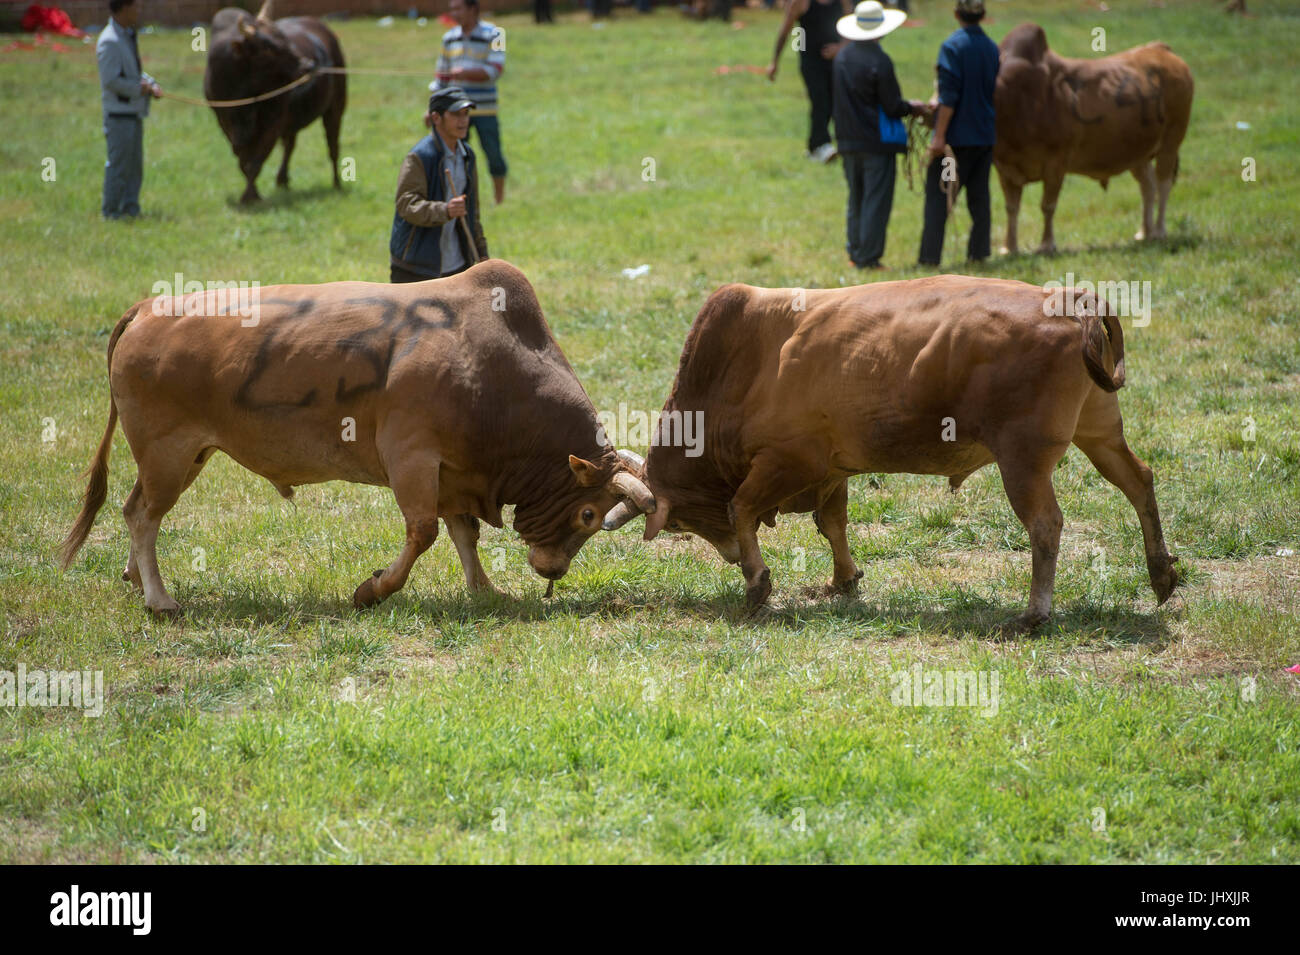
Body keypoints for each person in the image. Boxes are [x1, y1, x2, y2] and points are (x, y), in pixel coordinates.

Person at [831, 1, 926, 269]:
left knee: (856, 197)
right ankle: (869, 257)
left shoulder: (841, 57)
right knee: (876, 198)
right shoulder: (880, 61)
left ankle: (855, 252)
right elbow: (893, 106)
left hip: (847, 139)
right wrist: (913, 108)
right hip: (877, 141)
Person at [917, 0, 999, 266]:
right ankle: (978, 254)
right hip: (984, 137)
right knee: (979, 197)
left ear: (956, 14)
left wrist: (939, 137)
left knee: (939, 198)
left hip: (955, 142)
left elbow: (949, 97)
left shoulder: (952, 47)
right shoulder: (991, 48)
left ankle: (930, 259)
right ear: (983, 15)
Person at [389, 86, 489, 284]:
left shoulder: (467, 155)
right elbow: (406, 205)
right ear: (436, 118)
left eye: (466, 114)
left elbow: (472, 211)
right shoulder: (419, 157)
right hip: (417, 267)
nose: (463, 121)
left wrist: (481, 252)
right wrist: (445, 210)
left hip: (458, 266)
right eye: (455, 115)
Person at [432, 0, 508, 204]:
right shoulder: (448, 38)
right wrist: (431, 109)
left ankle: (499, 199)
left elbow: (496, 70)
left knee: (493, 154)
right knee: (456, 158)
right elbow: (441, 78)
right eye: (452, 8)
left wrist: (466, 73)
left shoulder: (496, 33)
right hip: (455, 112)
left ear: (473, 9)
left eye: (458, 8)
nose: (453, 13)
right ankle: (462, 199)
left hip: (485, 109)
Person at [95, 0, 162, 219]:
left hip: (133, 113)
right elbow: (111, 81)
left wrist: (150, 84)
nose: (138, 11)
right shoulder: (109, 41)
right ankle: (111, 211)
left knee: (134, 167)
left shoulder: (126, 36)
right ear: (123, 9)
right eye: (135, 7)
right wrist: (138, 89)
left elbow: (132, 72)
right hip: (118, 115)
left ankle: (131, 209)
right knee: (119, 166)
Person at [767, 0, 850, 163]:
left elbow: (851, 25)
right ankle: (819, 146)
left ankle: (832, 143)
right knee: (820, 101)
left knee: (837, 103)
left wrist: (840, 47)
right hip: (811, 61)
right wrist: (775, 61)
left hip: (837, 60)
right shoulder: (801, 3)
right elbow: (786, 29)